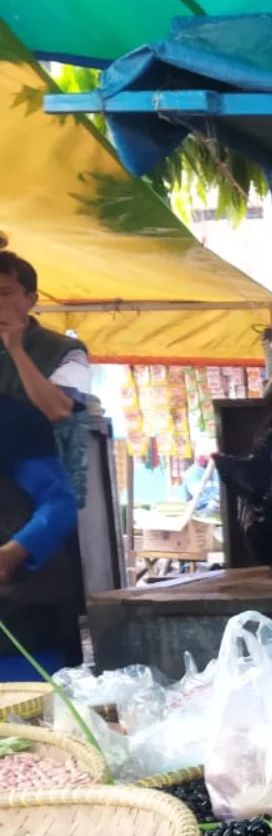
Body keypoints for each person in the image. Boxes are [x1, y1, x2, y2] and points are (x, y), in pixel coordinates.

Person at [0, 251, 85, 662]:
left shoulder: (64, 352)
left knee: (43, 612)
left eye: (3, 292)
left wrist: (16, 349)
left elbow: (57, 408)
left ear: (30, 298)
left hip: (46, 497)